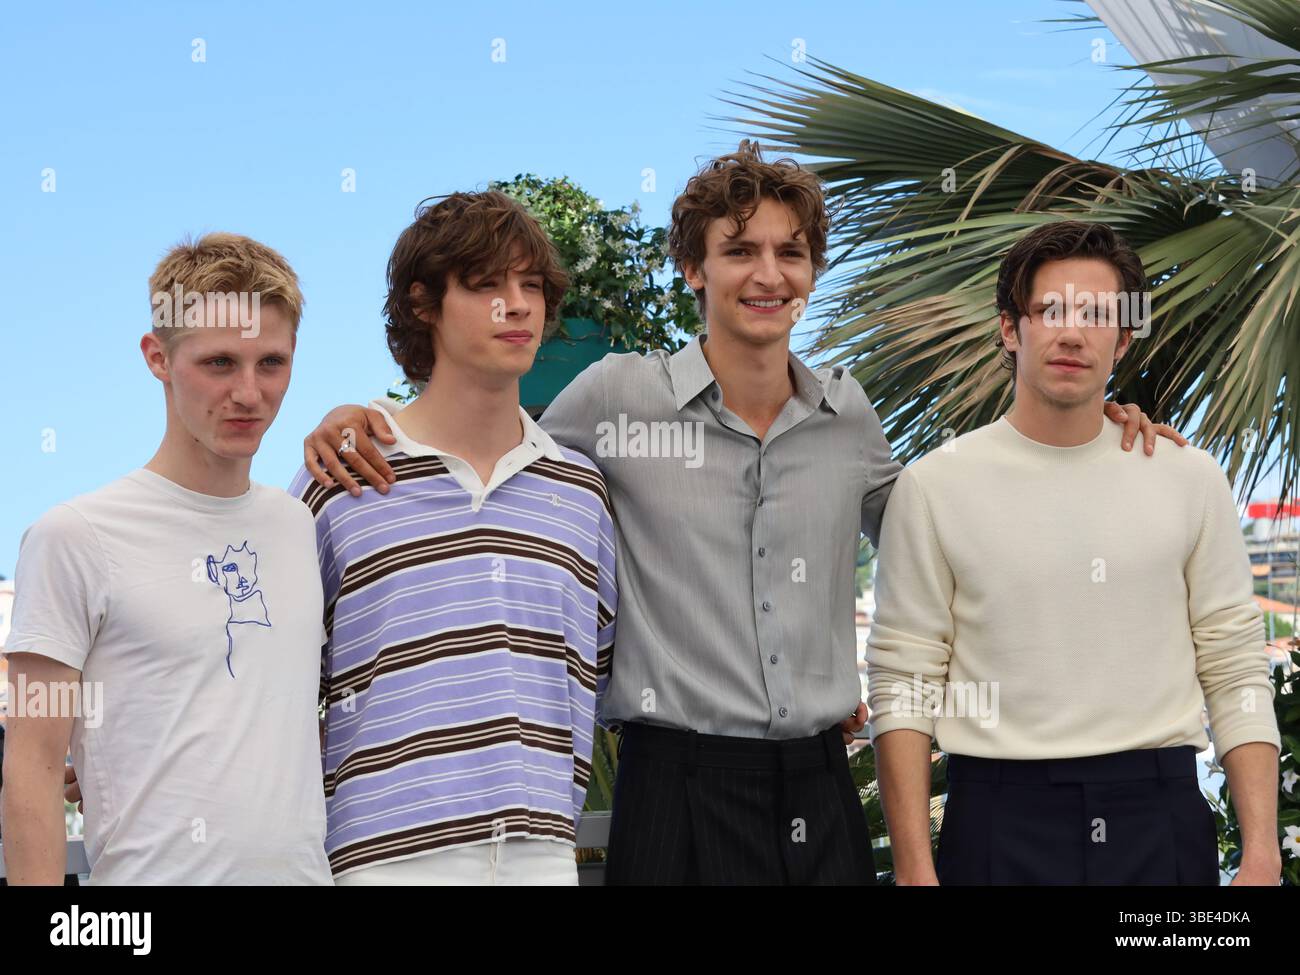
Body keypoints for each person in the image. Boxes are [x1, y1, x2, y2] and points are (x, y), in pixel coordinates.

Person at [301, 144, 1180, 885]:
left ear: (811, 274)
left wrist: (1096, 430)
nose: (768, 273)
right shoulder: (616, 399)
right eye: (739, 250)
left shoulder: (849, 418)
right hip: (671, 788)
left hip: (821, 784)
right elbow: (489, 443)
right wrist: (358, 418)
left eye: (791, 252)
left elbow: (953, 534)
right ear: (694, 267)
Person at [868, 221, 1282, 885]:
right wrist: (917, 870)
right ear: (1011, 328)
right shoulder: (934, 485)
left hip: (1160, 817)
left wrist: (1262, 849)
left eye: (1097, 315)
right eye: (1050, 310)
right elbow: (904, 683)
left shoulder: (1188, 477)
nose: (1072, 332)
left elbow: (1234, 663)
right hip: (997, 820)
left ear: (1122, 338)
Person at [289, 191, 616, 885]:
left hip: (542, 859)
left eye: (531, 285)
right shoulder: (342, 475)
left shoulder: (581, 492)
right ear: (422, 304)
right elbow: (270, 680)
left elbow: (606, 673)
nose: (518, 304)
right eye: (487, 283)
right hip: (382, 859)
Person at [1, 234, 332, 885]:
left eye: (271, 362)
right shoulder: (73, 536)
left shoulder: (300, 526)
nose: (249, 391)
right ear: (158, 356)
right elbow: (33, 767)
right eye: (218, 363)